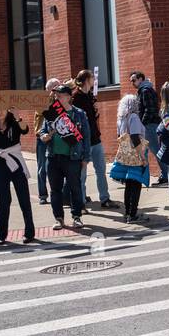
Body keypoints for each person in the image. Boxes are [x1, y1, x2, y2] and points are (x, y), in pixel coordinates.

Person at [38, 84, 91, 229]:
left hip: (72, 157)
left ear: (68, 97)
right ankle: (59, 218)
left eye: (60, 95)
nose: (57, 98)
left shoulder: (79, 114)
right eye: (56, 96)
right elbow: (42, 131)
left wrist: (86, 158)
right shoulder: (51, 112)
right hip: (53, 157)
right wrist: (45, 136)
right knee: (55, 190)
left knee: (75, 187)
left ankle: (76, 217)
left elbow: (86, 137)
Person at [0, 109, 36, 244]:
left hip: (16, 164)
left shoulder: (15, 123)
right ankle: (1, 234)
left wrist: (19, 117)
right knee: (3, 201)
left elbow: (25, 130)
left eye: (2, 109)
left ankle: (29, 233)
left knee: (24, 199)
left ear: (8, 111)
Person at [73, 70, 114, 210]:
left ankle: (105, 198)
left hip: (95, 138)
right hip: (83, 142)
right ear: (86, 80)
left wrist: (95, 113)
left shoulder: (90, 96)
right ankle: (81, 202)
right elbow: (73, 121)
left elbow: (92, 118)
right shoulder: (76, 97)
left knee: (101, 170)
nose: (94, 80)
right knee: (82, 175)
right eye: (92, 77)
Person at [110, 93, 153, 222]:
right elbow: (135, 137)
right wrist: (143, 158)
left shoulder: (121, 118)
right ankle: (133, 214)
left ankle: (128, 213)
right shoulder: (134, 117)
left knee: (129, 185)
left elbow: (120, 137)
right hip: (135, 154)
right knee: (135, 184)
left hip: (125, 155)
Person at [128, 71, 165, 185]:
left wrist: (141, 124)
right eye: (131, 81)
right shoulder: (144, 90)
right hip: (150, 125)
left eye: (133, 80)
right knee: (146, 152)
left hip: (149, 125)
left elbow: (150, 109)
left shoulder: (145, 91)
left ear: (140, 79)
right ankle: (145, 177)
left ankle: (167, 175)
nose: (132, 83)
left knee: (156, 150)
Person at [33, 77, 62, 204]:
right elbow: (41, 111)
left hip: (56, 137)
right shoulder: (41, 101)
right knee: (42, 168)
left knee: (59, 167)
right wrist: (51, 96)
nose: (57, 90)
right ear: (49, 89)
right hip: (43, 138)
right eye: (55, 87)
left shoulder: (60, 101)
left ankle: (61, 193)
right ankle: (42, 195)